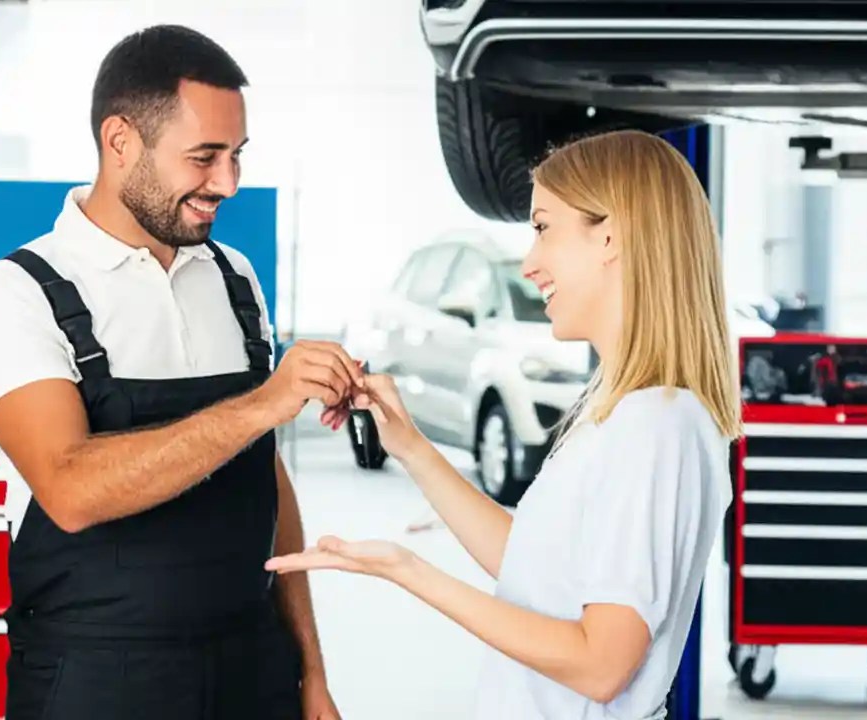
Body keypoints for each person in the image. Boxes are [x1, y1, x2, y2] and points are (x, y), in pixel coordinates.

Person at [268, 129, 741, 719]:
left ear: (612, 236)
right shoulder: (623, 414)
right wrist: (410, 446)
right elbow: (535, 567)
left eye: (543, 228)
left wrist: (407, 569)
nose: (530, 263)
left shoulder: (655, 427)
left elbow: (603, 664)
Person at [0, 25, 349, 720]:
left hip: (252, 672)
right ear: (120, 142)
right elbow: (71, 487)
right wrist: (262, 404)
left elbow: (266, 479)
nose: (226, 183)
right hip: (95, 683)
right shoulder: (16, 292)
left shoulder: (235, 280)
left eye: (237, 156)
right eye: (204, 157)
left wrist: (310, 670)